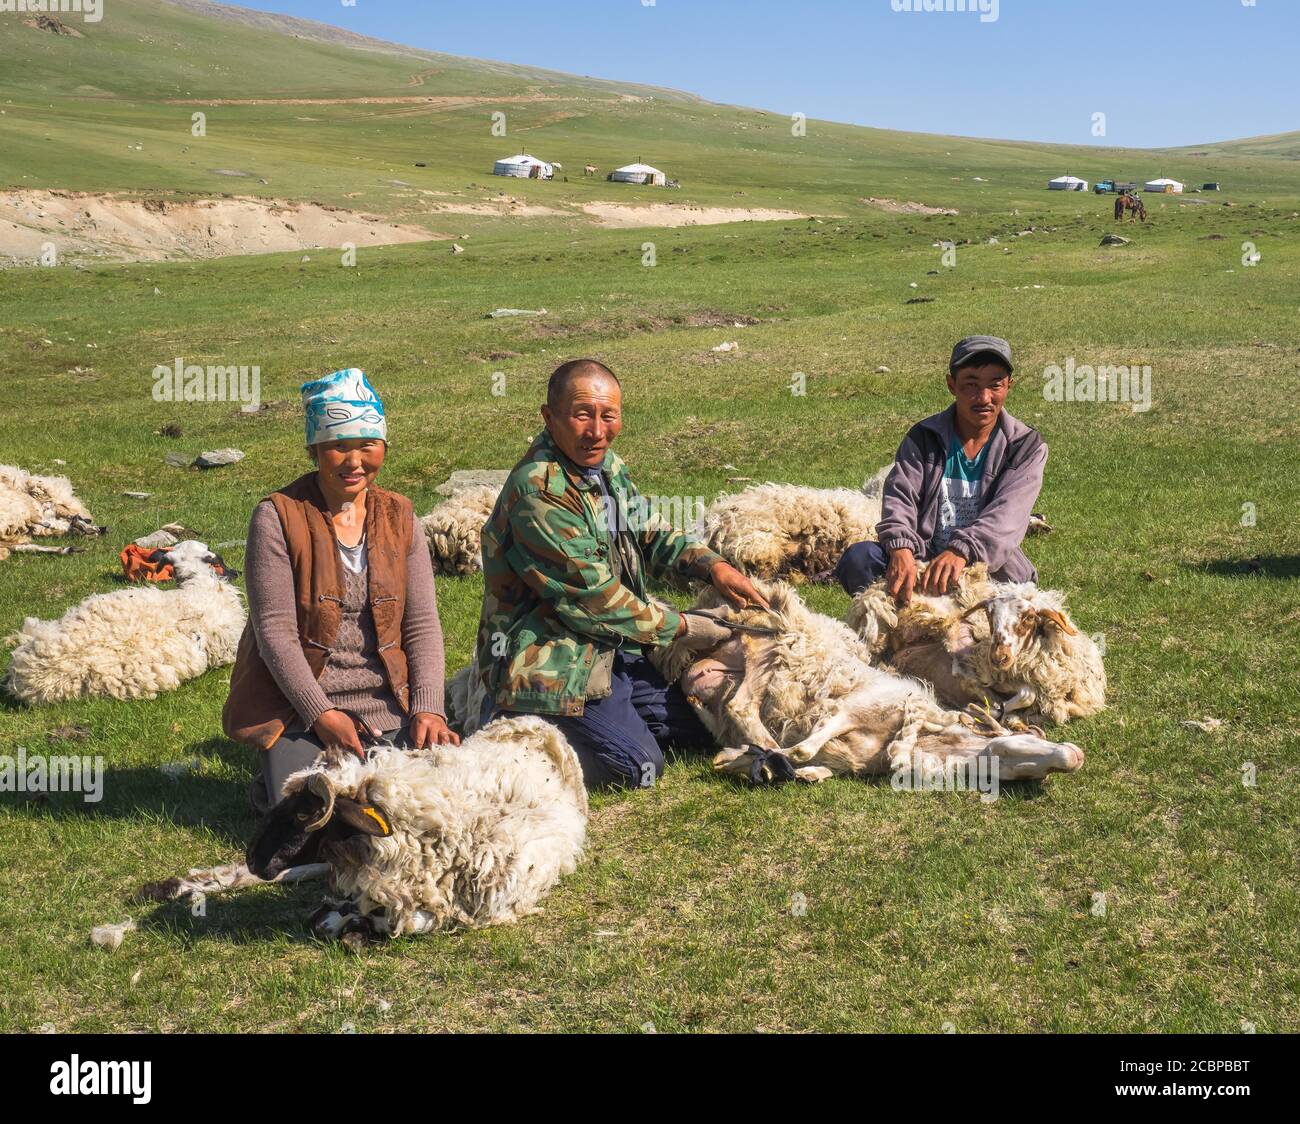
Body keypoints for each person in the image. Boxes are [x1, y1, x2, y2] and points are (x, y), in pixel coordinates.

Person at [475, 358, 769, 790]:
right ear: (549, 416)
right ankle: (517, 729)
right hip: (552, 657)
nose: (596, 430)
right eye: (582, 415)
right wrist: (684, 627)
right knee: (635, 766)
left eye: (608, 415)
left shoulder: (604, 467)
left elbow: (648, 528)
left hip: (607, 649)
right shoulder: (538, 494)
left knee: (697, 730)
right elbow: (594, 598)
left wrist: (714, 566)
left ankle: (603, 713)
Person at [222, 368, 458, 813]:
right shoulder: (277, 517)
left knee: (425, 805)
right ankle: (277, 767)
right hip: (299, 707)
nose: (354, 462)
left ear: (383, 446)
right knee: (314, 812)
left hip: (387, 698)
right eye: (338, 447)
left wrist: (428, 709)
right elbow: (274, 631)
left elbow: (422, 624)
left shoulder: (401, 517)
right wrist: (322, 715)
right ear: (314, 449)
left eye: (367, 445)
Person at [836, 335, 1047, 605]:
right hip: (924, 560)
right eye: (971, 385)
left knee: (1011, 606)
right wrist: (901, 546)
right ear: (951, 385)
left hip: (987, 567)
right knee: (859, 560)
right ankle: (904, 625)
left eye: (995, 385)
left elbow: (1008, 516)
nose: (984, 398)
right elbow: (901, 496)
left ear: (1009, 386)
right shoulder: (925, 437)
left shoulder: (1025, 446)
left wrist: (961, 551)